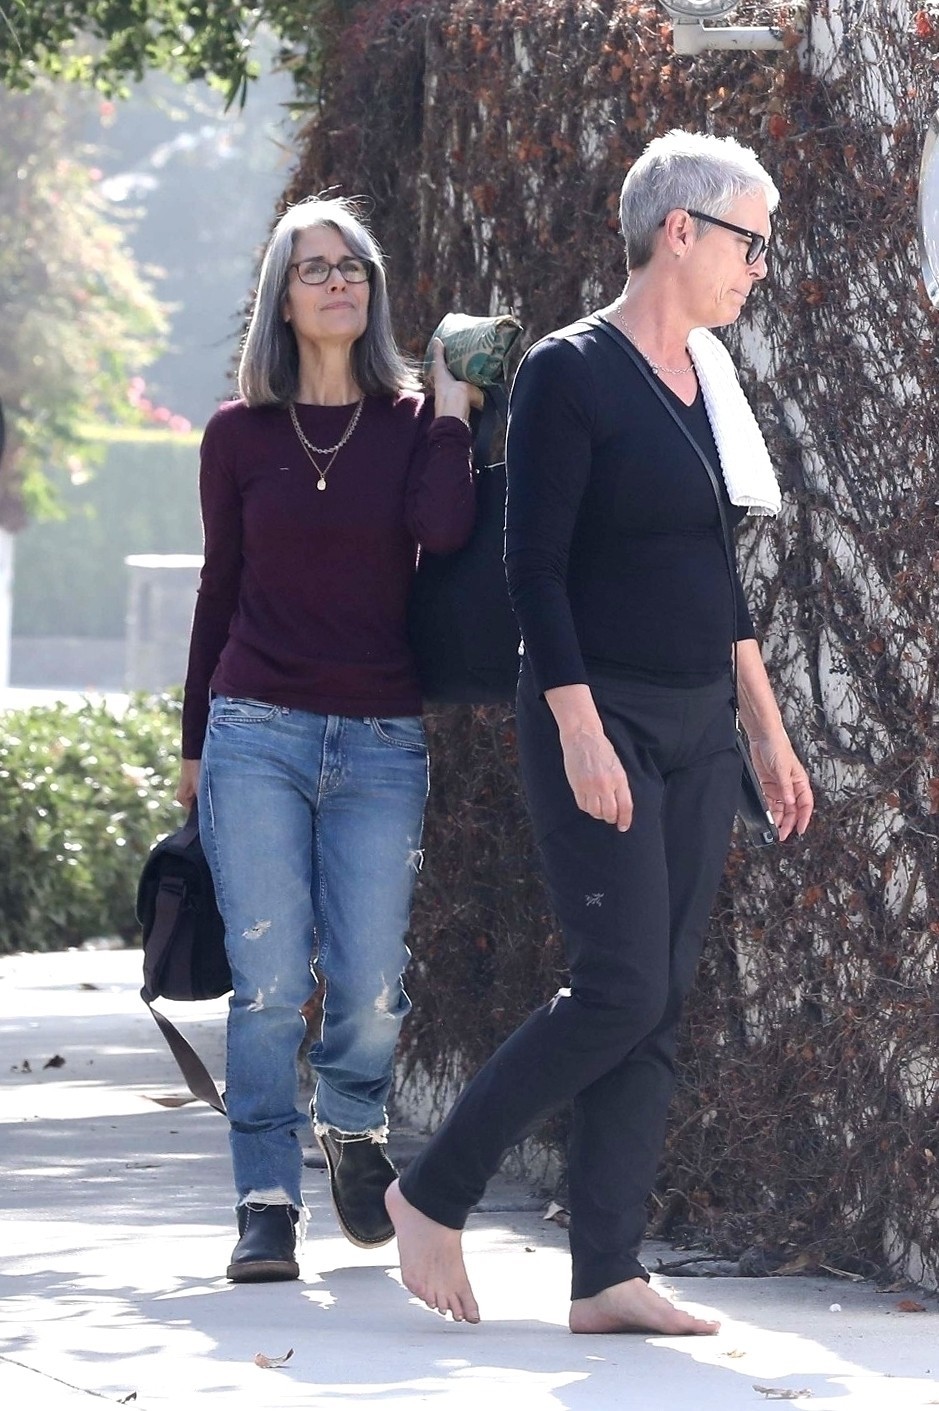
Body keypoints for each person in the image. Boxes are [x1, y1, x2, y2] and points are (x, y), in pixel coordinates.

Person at [386, 130, 814, 1333]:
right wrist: (577, 727)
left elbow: (718, 581)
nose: (759, 267)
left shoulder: (709, 381)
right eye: (750, 241)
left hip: (698, 723)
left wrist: (766, 734)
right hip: (603, 709)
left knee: (659, 1000)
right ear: (679, 230)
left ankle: (607, 1274)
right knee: (617, 984)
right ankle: (435, 1189)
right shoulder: (572, 370)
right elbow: (533, 566)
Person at [176, 194, 477, 1282]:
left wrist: (448, 407)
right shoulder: (235, 434)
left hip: (380, 737)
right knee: (265, 977)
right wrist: (194, 741)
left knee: (367, 980)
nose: (339, 280)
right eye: (315, 268)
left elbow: (443, 529)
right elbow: (220, 589)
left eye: (353, 265)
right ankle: (264, 1198)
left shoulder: (407, 424)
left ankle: (353, 1125)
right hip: (255, 725)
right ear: (282, 297)